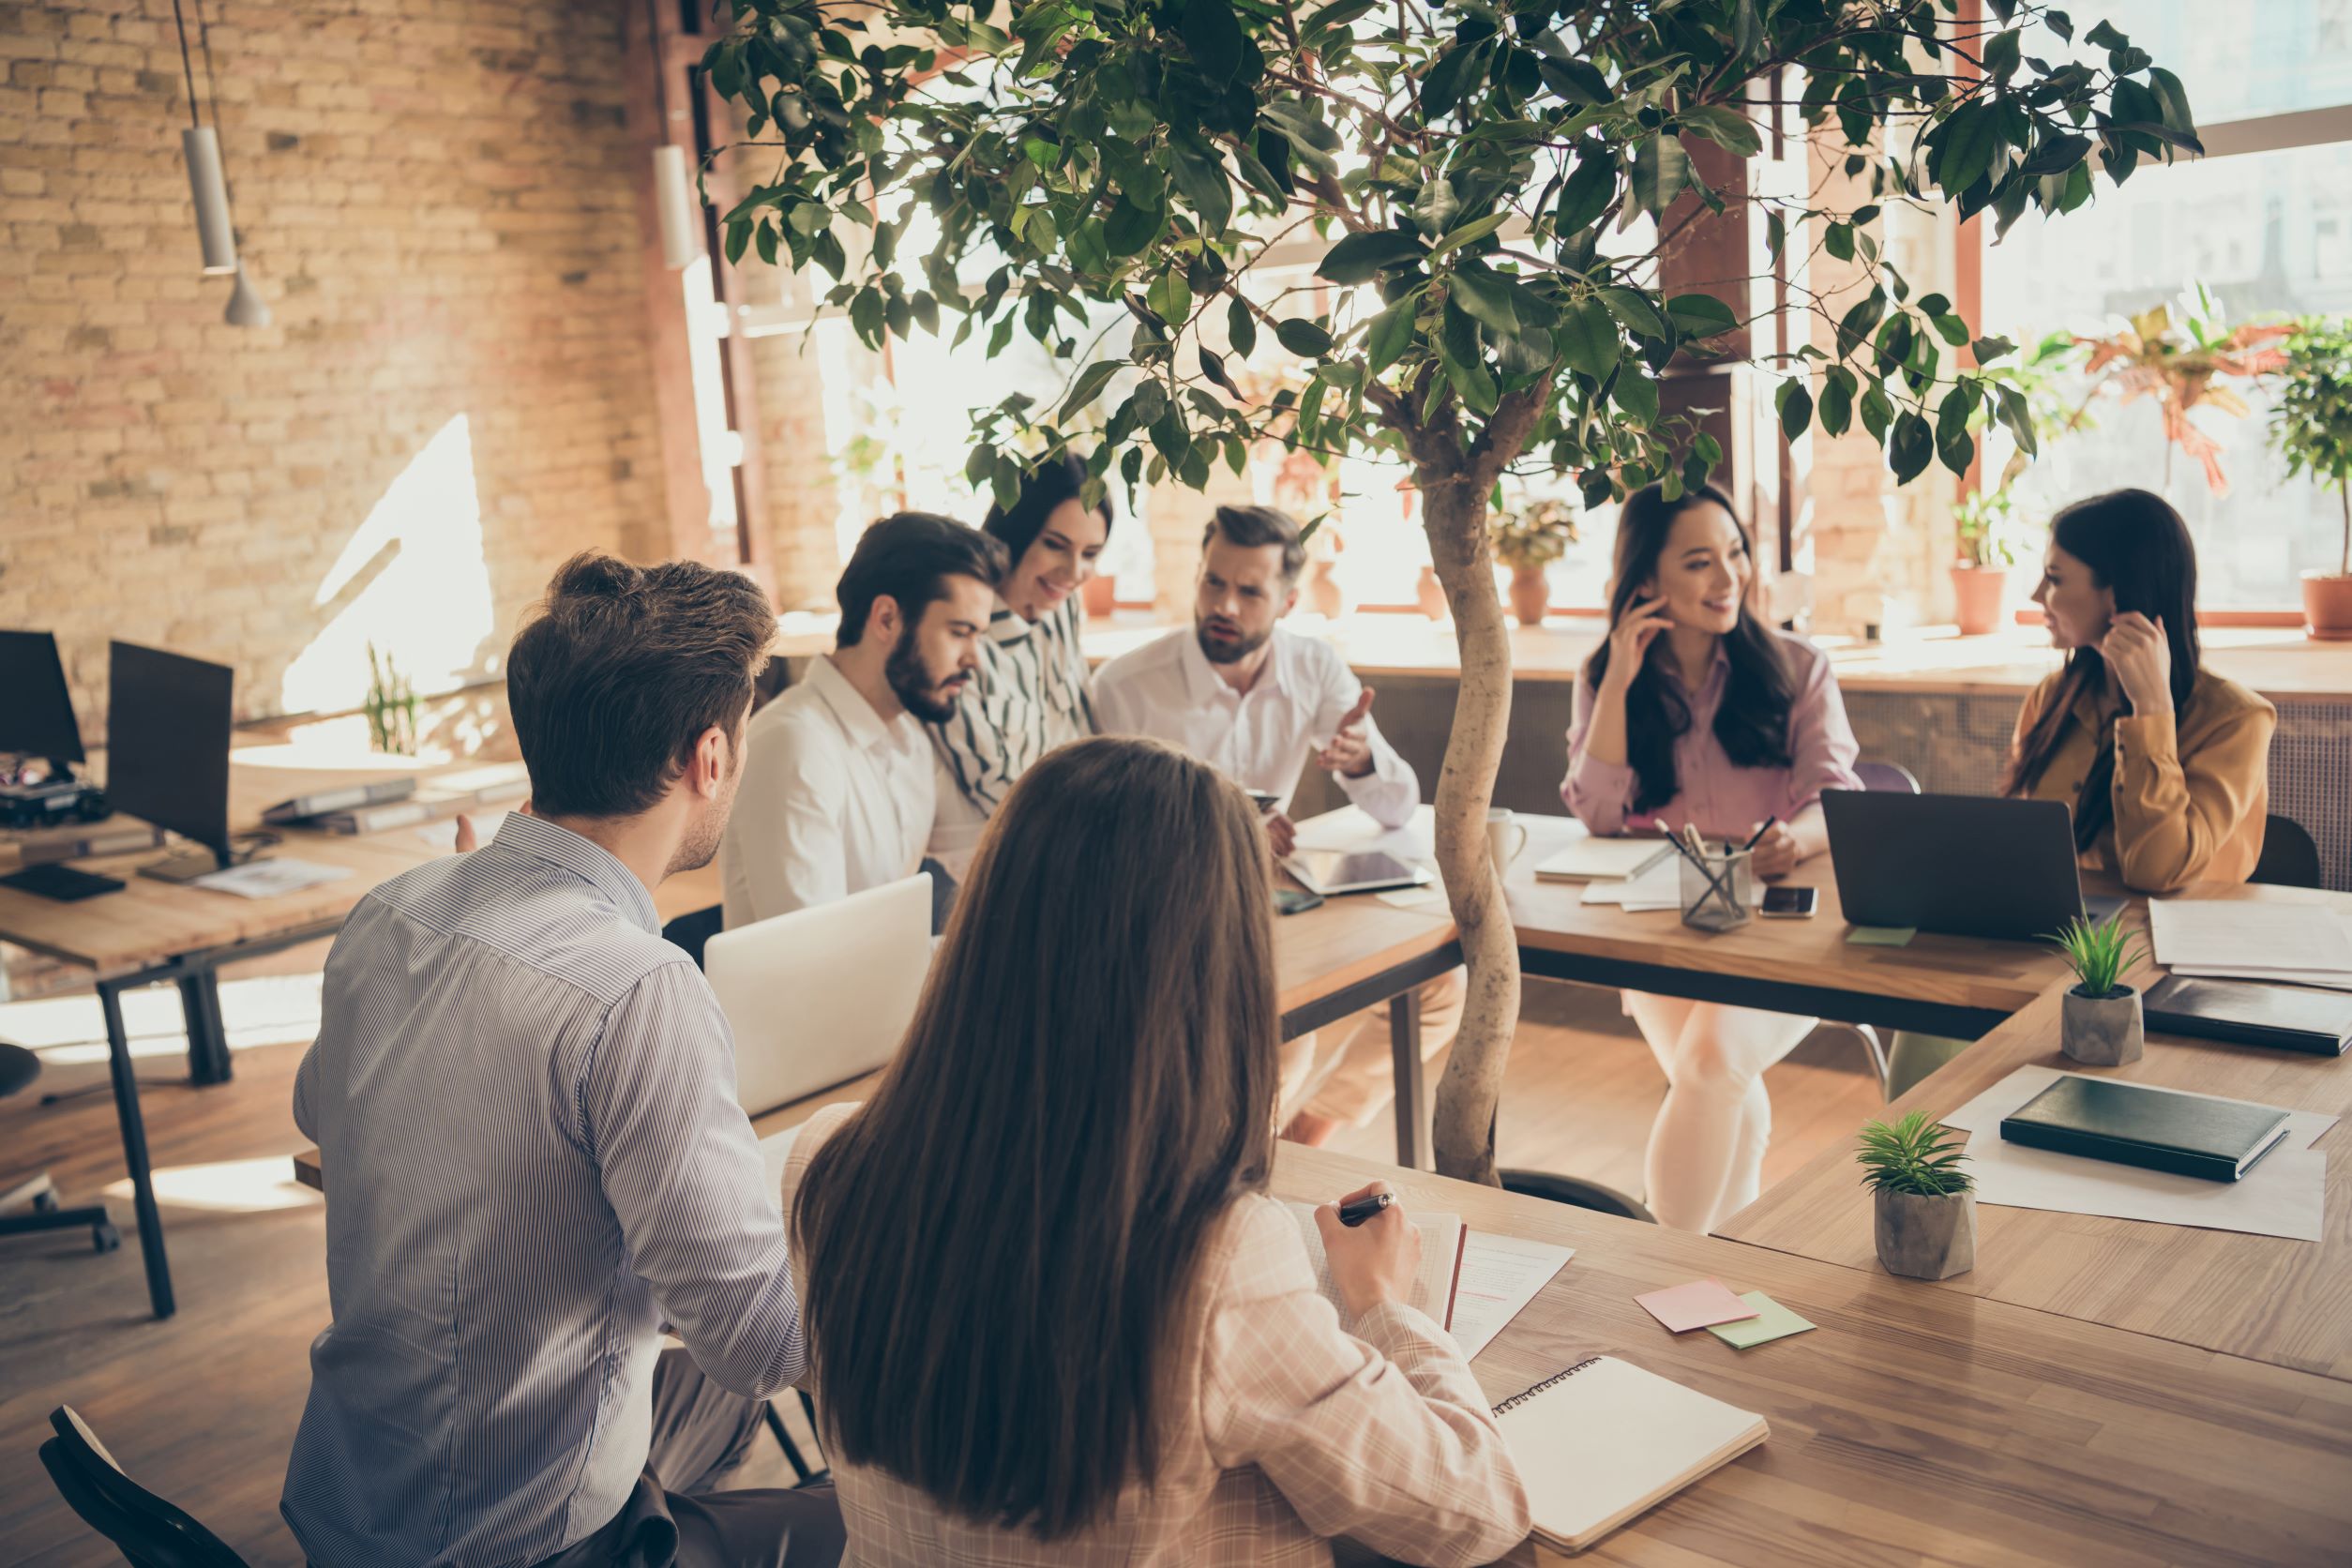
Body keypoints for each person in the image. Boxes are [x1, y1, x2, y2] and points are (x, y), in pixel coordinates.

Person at [777, 737, 1530, 1566]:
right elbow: (1474, 1509)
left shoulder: (827, 1163)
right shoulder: (1216, 1257)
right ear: (1219, 963)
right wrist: (1389, 1307)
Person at [282, 554, 844, 1568]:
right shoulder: (639, 989)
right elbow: (764, 1344)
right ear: (709, 757)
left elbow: (319, 1106)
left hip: (353, 1506)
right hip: (521, 1543)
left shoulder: (393, 907)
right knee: (849, 1507)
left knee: (682, 1361)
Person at [1093, 503, 1462, 1148]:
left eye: (1249, 591)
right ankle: (1234, 1175)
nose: (1225, 606)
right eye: (1214, 582)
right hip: (1170, 909)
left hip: (1275, 896)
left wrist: (1364, 759)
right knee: (1282, 1037)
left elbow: (1397, 807)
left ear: (1288, 602)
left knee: (1441, 985)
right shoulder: (1126, 687)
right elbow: (1105, 841)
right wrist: (1223, 831)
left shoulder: (1314, 668)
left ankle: (1303, 1134)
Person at [1562, 483, 1861, 1233]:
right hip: (1664, 929)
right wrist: (1620, 681)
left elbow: (1837, 794)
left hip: (1782, 931)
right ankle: (1723, 1284)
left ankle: (1663, 1270)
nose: (1730, 579)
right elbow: (1597, 814)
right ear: (1646, 581)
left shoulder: (1799, 666)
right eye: (1700, 562)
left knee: (1709, 1066)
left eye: (1735, 553)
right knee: (1731, 1090)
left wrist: (1799, 837)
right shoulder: (1606, 680)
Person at [718, 513, 1003, 926]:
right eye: (960, 632)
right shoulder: (794, 745)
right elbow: (814, 957)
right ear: (887, 618)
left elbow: (983, 848)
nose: (974, 659)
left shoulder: (914, 736)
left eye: (979, 636)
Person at [2005, 488, 2275, 892]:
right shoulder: (2052, 697)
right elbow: (2022, 846)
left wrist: (2151, 710)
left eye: (2055, 578)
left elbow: (2157, 872)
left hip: (2181, 943)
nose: (2036, 595)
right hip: (2063, 936)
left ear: (2117, 590)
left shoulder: (2237, 720)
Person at [926, 450, 1109, 879]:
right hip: (1001, 867)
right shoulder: (960, 639)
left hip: (1085, 845)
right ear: (1014, 531)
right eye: (1055, 545)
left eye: (1091, 553)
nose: (1074, 571)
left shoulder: (1062, 607)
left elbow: (1083, 734)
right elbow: (1005, 796)